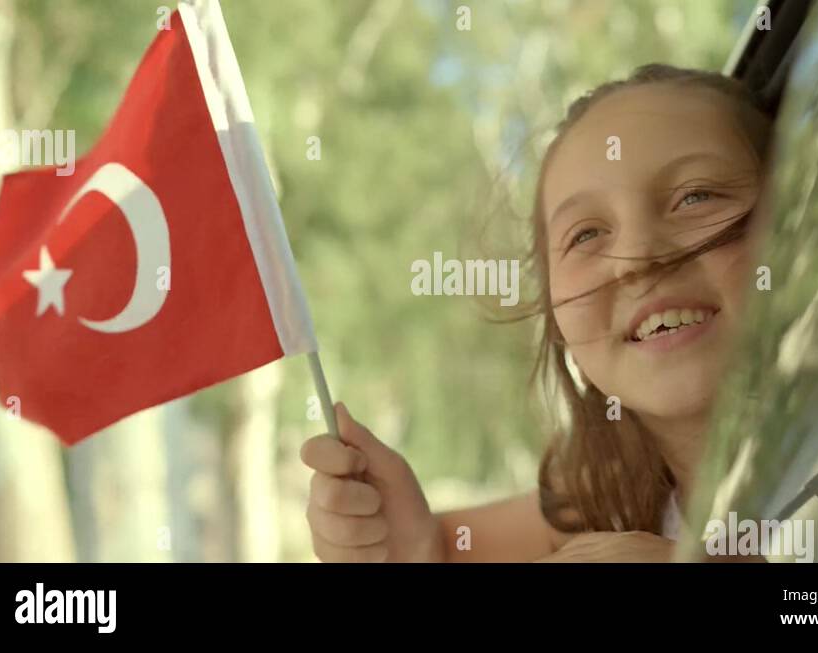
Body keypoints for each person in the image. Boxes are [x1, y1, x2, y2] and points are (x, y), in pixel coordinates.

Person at [301, 63, 772, 562]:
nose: (637, 260)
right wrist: (408, 543)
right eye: (586, 235)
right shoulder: (607, 491)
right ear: (557, 321)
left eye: (694, 197)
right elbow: (442, 550)